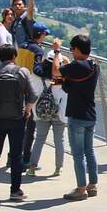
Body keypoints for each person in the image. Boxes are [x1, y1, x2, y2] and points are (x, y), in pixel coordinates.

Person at [0, 44, 38, 202]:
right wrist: (26, 110)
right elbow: (33, 96)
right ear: (15, 56)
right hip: (17, 120)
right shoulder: (22, 72)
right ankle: (15, 190)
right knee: (16, 155)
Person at [54, 33, 100, 200]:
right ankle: (92, 185)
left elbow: (56, 71)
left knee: (78, 154)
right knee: (90, 150)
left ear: (79, 50)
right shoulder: (94, 66)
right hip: (90, 114)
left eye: (72, 49)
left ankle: (80, 189)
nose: (71, 52)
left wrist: (57, 52)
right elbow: (77, 82)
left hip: (76, 115)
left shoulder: (74, 68)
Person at [27, 35, 67, 176]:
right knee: (59, 141)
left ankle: (32, 167)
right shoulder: (63, 79)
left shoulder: (36, 76)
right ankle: (58, 167)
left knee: (39, 139)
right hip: (59, 114)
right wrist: (59, 54)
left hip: (41, 112)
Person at [20, 21, 52, 169]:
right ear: (40, 34)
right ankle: (26, 158)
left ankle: (14, 156)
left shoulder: (23, 45)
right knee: (31, 126)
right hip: (32, 89)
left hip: (20, 86)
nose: (46, 37)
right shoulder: (38, 50)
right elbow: (37, 70)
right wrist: (50, 74)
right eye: (45, 34)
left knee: (21, 125)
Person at [10, 0, 37, 74]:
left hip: (26, 51)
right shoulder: (14, 21)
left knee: (26, 74)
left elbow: (31, 9)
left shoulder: (26, 17)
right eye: (15, 5)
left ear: (24, 6)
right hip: (16, 52)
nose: (18, 6)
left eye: (20, 4)